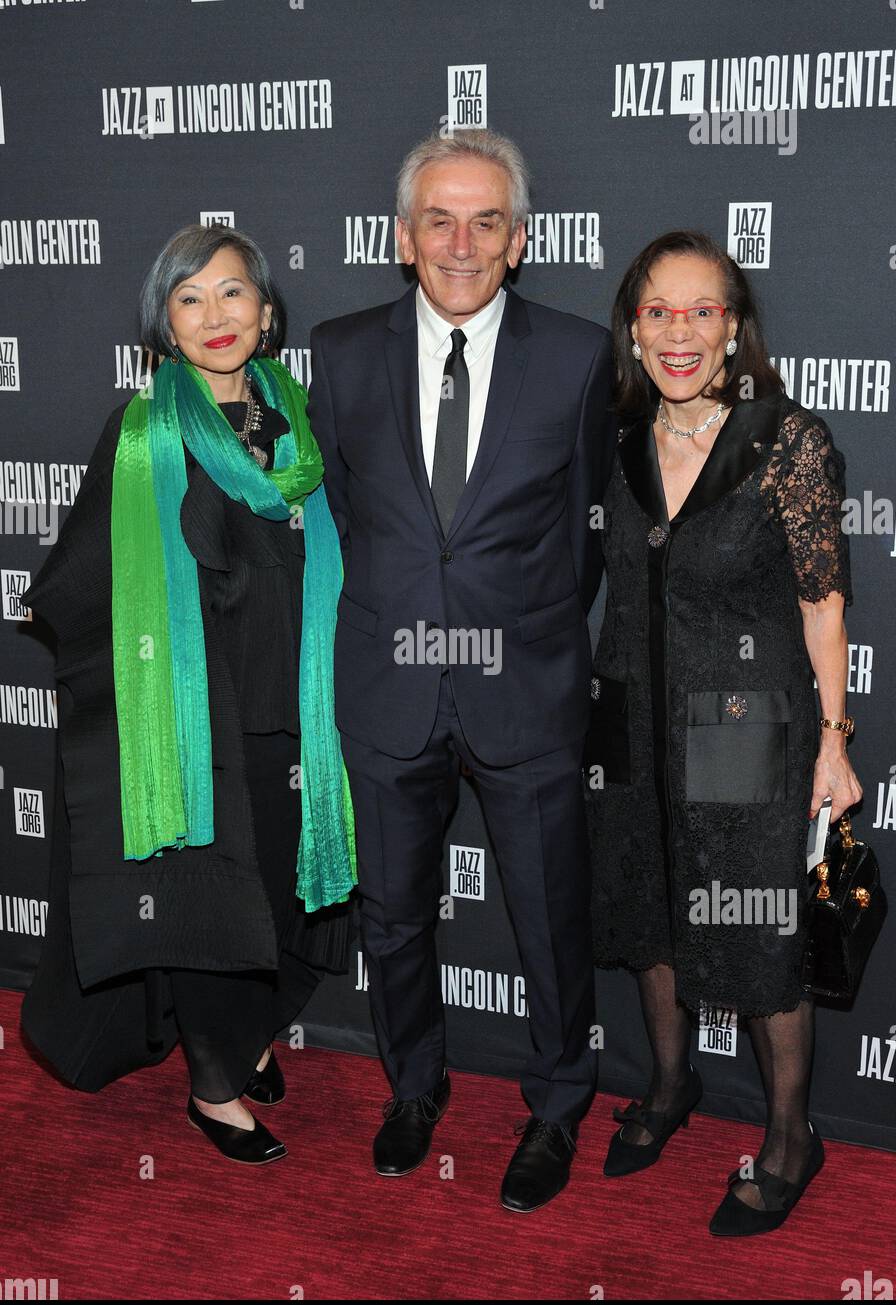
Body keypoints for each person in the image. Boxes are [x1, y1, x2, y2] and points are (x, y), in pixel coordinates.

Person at [307, 128, 615, 1212]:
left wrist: (516, 628)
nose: (461, 240)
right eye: (439, 217)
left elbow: (584, 535)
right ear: (402, 237)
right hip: (387, 683)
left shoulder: (577, 356)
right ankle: (413, 1086)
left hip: (523, 684)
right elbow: (350, 518)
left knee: (546, 915)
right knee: (392, 913)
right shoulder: (340, 355)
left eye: (486, 219)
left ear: (519, 239)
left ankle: (556, 1104)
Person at [21, 223, 356, 1165]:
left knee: (290, 902)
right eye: (190, 299)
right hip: (200, 718)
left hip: (305, 707)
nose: (216, 315)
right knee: (212, 906)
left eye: (233, 293)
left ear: (267, 311)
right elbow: (86, 580)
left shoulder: (299, 427)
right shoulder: (143, 437)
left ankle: (249, 1040)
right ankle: (213, 1090)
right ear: (164, 328)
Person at [584, 229, 860, 1234]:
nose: (678, 332)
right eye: (656, 311)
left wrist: (833, 739)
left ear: (734, 326)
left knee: (749, 936)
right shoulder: (614, 436)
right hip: (627, 714)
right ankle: (667, 1088)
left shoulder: (782, 439)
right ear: (632, 328)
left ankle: (790, 1139)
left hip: (741, 722)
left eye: (701, 310)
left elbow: (822, 602)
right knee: (649, 911)